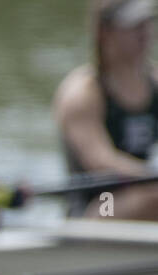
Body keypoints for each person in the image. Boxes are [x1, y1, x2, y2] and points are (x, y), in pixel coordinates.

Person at [55, 0, 158, 218]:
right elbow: (100, 161)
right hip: (98, 207)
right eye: (133, 24)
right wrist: (150, 176)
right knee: (152, 197)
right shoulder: (83, 93)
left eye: (147, 21)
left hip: (146, 192)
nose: (144, 31)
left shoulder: (154, 84)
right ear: (105, 32)